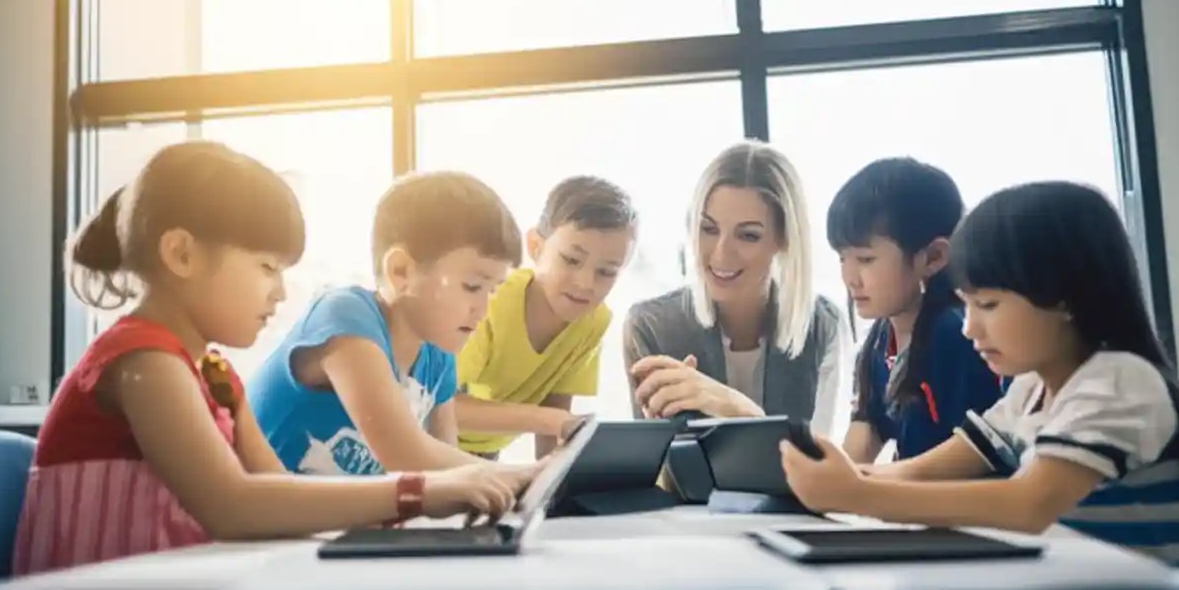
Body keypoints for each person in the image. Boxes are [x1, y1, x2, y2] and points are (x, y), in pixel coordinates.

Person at [13, 143, 519, 576]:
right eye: (265, 267)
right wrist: (417, 492)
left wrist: (412, 507)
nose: (279, 293)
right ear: (182, 255)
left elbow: (280, 492)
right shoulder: (144, 361)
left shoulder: (213, 375)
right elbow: (231, 506)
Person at [781, 181, 1179, 590]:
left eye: (988, 305)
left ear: (1065, 299)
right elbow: (917, 469)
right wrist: (825, 480)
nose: (970, 327)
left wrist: (859, 495)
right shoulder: (1032, 390)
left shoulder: (1117, 382)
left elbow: (1027, 504)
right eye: (967, 304)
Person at [249, 171, 538, 481]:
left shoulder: (438, 357)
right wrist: (526, 476)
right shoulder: (345, 319)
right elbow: (406, 455)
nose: (483, 308)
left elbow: (449, 470)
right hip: (259, 522)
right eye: (472, 286)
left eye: (493, 290)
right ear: (401, 272)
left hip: (337, 524)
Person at [625, 140, 842, 432]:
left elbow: (825, 470)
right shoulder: (652, 327)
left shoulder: (823, 325)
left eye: (748, 236)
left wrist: (732, 407)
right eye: (708, 229)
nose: (721, 254)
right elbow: (664, 468)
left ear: (784, 239)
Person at [828, 157, 1003, 463]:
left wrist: (858, 486)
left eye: (866, 259)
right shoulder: (880, 342)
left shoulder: (958, 335)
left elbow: (972, 462)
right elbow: (862, 440)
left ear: (934, 257)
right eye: (843, 258)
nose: (850, 277)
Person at [454, 175, 637, 460]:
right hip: (431, 445)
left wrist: (549, 490)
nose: (586, 283)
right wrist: (547, 419)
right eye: (571, 260)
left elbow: (557, 414)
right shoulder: (492, 302)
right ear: (536, 247)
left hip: (486, 452)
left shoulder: (593, 321)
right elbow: (440, 407)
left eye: (607, 272)